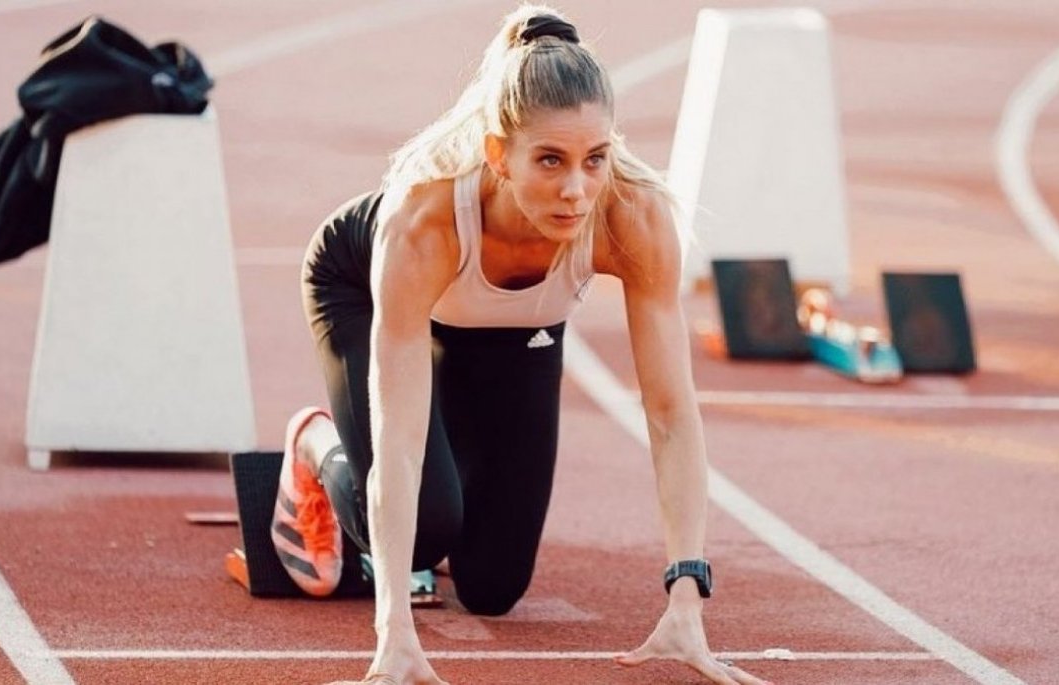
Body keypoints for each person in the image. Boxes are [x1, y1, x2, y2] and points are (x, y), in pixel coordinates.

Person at [272, 6, 771, 685]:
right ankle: (319, 445)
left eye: (595, 159)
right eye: (550, 161)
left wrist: (687, 597)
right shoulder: (424, 220)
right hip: (367, 288)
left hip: (514, 326)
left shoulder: (633, 214)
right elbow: (399, 439)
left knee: (494, 584)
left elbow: (671, 413)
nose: (576, 190)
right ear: (498, 155)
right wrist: (395, 631)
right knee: (423, 531)